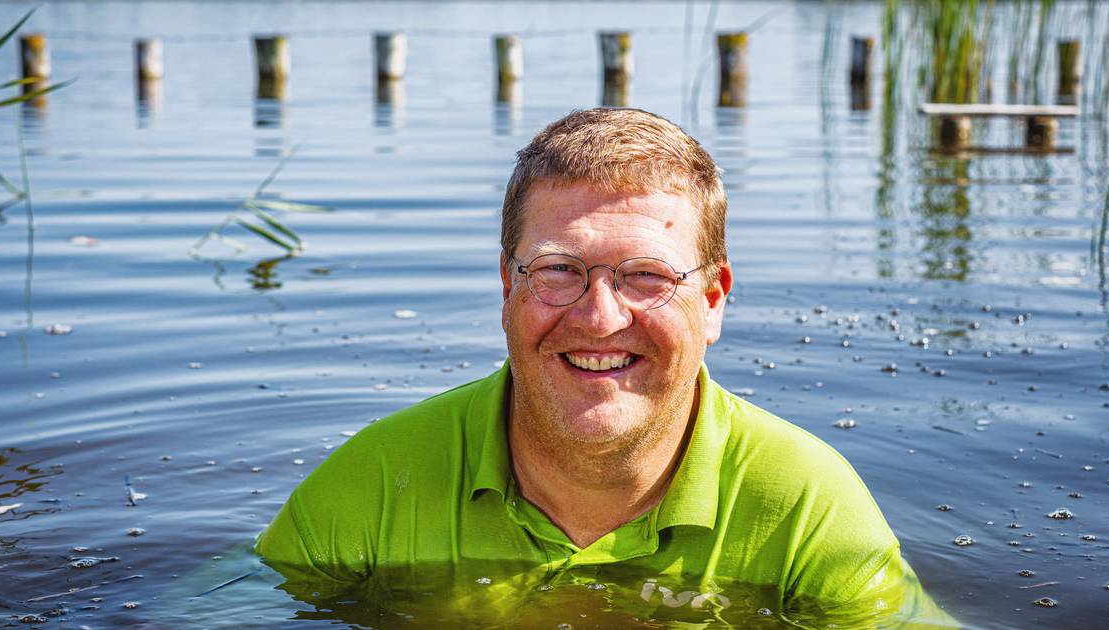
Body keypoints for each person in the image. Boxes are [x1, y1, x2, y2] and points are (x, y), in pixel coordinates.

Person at [255, 108, 950, 626]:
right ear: (507, 288)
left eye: (646, 276)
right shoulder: (377, 481)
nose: (598, 317)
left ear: (711, 303)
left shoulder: (803, 506)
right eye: (559, 270)